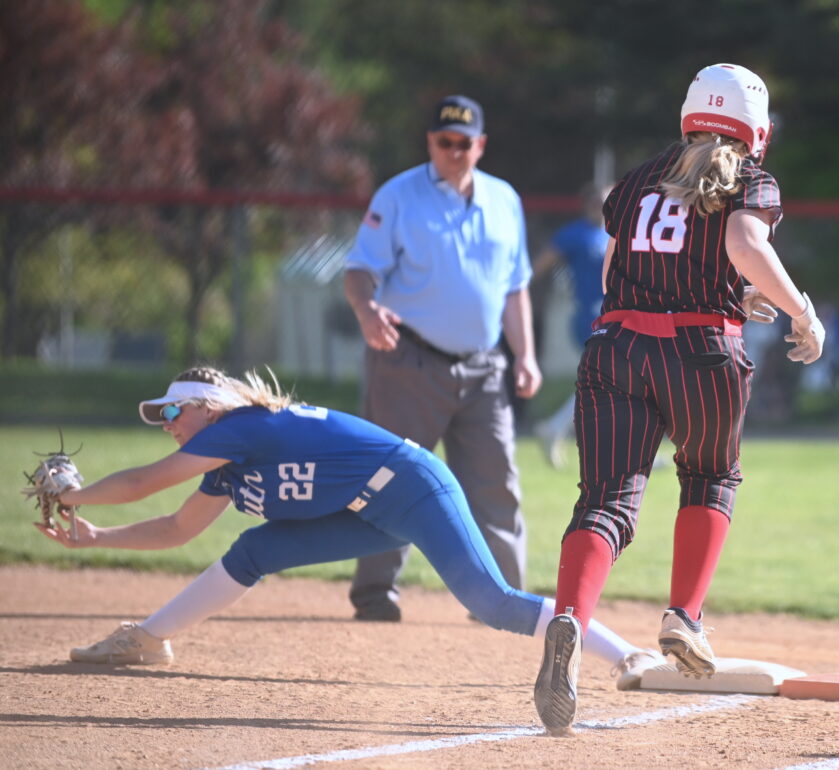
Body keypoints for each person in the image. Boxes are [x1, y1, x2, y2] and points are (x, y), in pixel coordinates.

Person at [35, 366, 665, 690]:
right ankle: (147, 638)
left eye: (173, 410)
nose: (167, 421)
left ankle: (624, 653)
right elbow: (176, 528)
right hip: (371, 511)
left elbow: (146, 482)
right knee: (254, 548)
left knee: (491, 602)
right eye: (160, 415)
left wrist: (82, 494)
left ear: (209, 407)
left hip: (415, 486)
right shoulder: (228, 461)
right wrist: (96, 536)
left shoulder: (238, 428)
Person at [532, 63, 826, 735]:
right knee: (710, 476)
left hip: (615, 348)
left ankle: (571, 617)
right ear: (756, 128)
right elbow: (744, 241)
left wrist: (734, 293)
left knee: (605, 501)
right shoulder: (751, 179)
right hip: (700, 357)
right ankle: (683, 619)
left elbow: (619, 271)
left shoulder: (639, 177)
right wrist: (800, 312)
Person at [343, 95, 540, 622]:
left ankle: (503, 601)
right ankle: (374, 593)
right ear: (430, 142)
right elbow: (359, 269)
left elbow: (515, 287)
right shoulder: (399, 195)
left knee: (496, 485)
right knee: (391, 480)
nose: (453, 151)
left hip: (485, 367)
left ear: (481, 144)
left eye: (463, 142)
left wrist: (526, 356)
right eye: (443, 141)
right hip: (409, 363)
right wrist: (366, 312)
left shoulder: (504, 199)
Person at [531, 182, 612, 469]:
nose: (602, 207)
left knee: (606, 381)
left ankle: (556, 428)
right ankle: (556, 428)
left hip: (618, 315)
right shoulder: (575, 234)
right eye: (597, 201)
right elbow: (539, 266)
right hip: (591, 316)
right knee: (606, 378)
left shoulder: (619, 232)